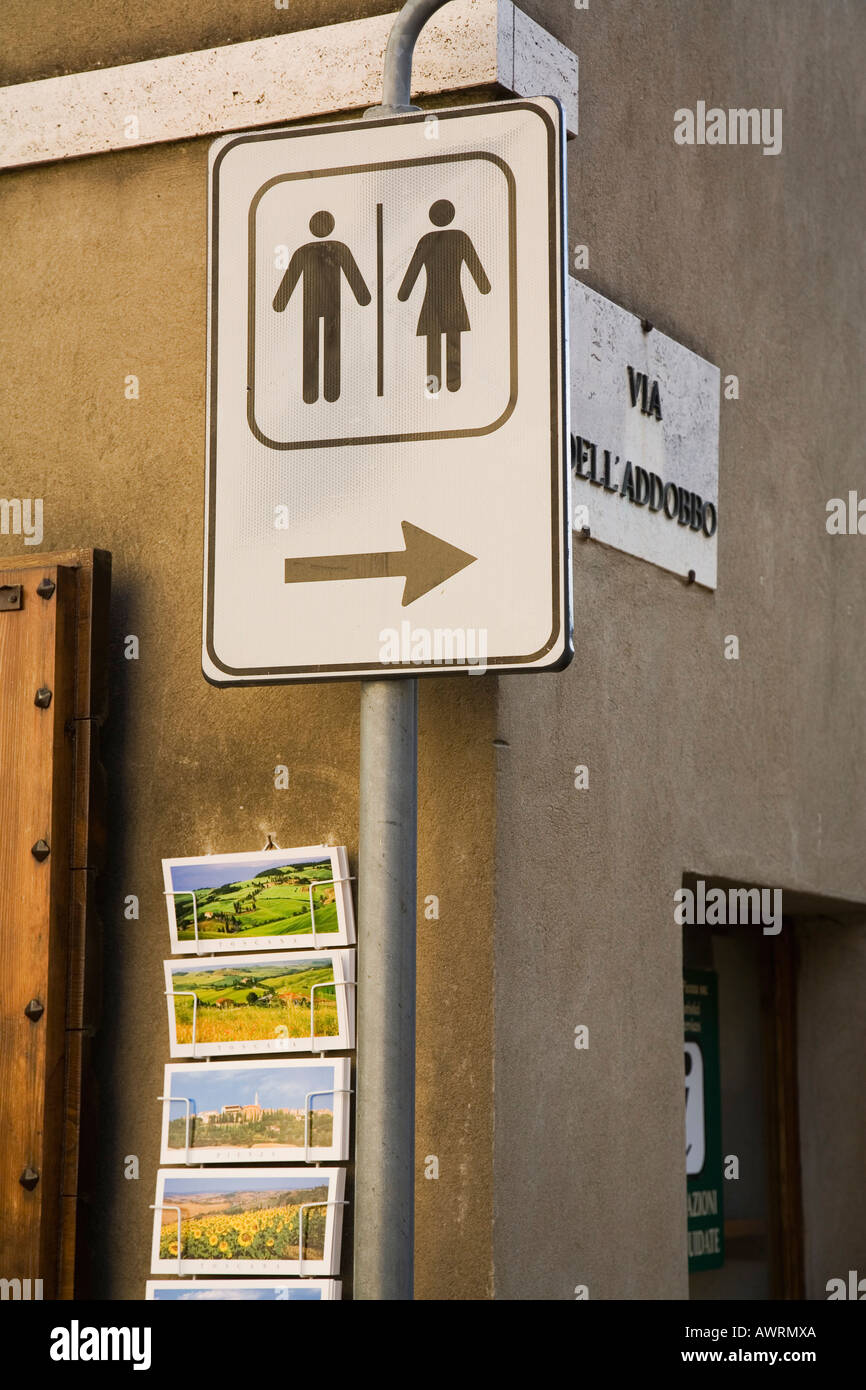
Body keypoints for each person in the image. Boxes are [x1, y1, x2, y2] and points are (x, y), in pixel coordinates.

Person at [272, 210, 371, 404]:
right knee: (327, 346)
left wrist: (280, 303)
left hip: (315, 308)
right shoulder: (337, 249)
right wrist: (363, 297)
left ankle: (318, 392)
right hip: (330, 309)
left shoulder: (306, 251)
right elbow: (357, 282)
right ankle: (327, 392)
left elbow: (287, 286)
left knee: (316, 347)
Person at [397, 199, 491, 393]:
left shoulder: (427, 240)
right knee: (452, 344)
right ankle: (451, 386)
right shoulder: (459, 237)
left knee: (433, 348)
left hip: (432, 302)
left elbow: (410, 277)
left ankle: (434, 391)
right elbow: (480, 277)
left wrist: (404, 293)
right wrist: (484, 287)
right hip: (454, 302)